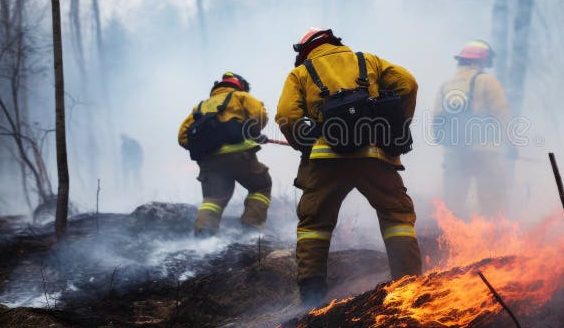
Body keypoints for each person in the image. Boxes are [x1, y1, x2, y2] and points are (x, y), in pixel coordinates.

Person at [276, 27, 422, 306]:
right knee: (397, 218)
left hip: (325, 162)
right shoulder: (368, 61)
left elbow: (286, 115)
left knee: (314, 225)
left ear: (305, 50)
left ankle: (312, 301)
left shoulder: (301, 73)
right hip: (375, 157)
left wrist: (304, 143)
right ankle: (410, 289)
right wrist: (396, 126)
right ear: (334, 42)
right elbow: (409, 84)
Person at [178, 72, 272, 236]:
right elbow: (259, 114)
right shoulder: (240, 96)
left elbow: (183, 137)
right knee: (261, 186)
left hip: (209, 161)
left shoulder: (200, 107)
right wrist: (252, 132)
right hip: (239, 156)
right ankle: (251, 229)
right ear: (239, 85)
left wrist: (206, 148)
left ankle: (204, 239)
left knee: (212, 200)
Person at [432, 40, 512, 217]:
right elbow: (502, 114)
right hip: (485, 153)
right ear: (482, 60)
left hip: (454, 153)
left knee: (454, 204)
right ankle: (491, 238)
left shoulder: (445, 87)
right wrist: (510, 144)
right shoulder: (486, 80)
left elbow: (436, 122)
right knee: (492, 202)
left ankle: (454, 240)